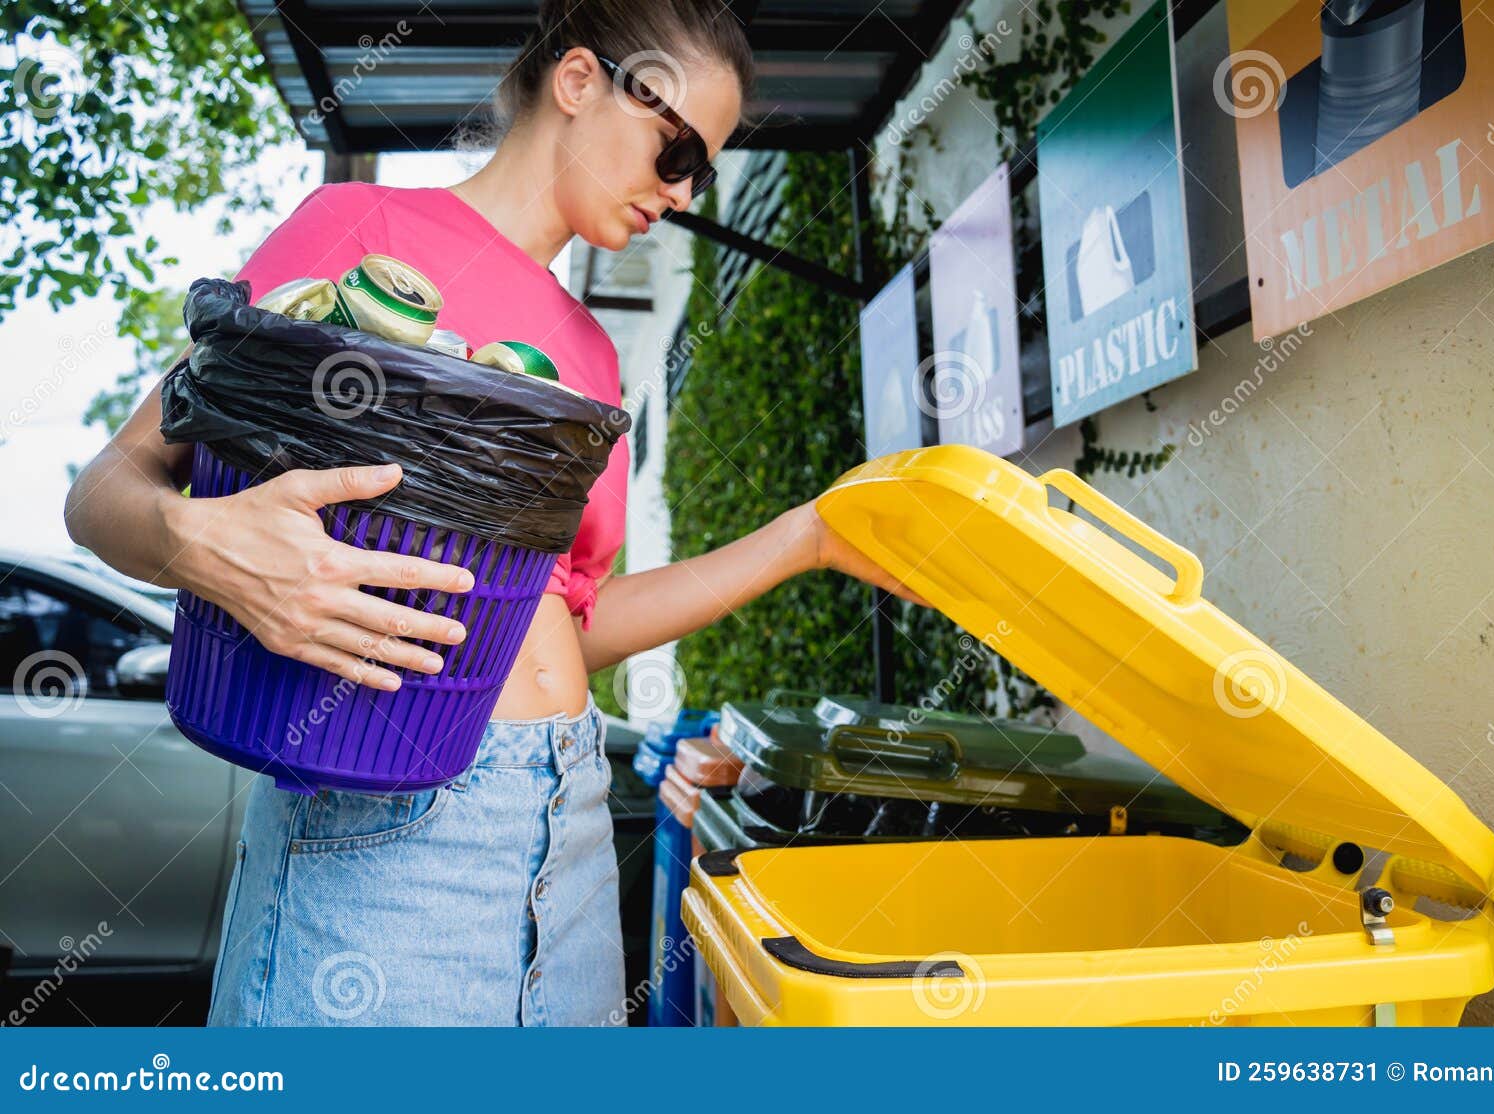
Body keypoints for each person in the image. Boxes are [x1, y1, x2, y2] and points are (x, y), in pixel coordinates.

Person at [64, 0, 918, 1026]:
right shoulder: (359, 238)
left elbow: (569, 622)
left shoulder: (593, 359)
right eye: (675, 146)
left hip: (572, 822)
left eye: (706, 169)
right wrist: (198, 543)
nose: (684, 190)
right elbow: (103, 489)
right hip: (385, 832)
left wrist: (805, 538)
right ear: (577, 82)